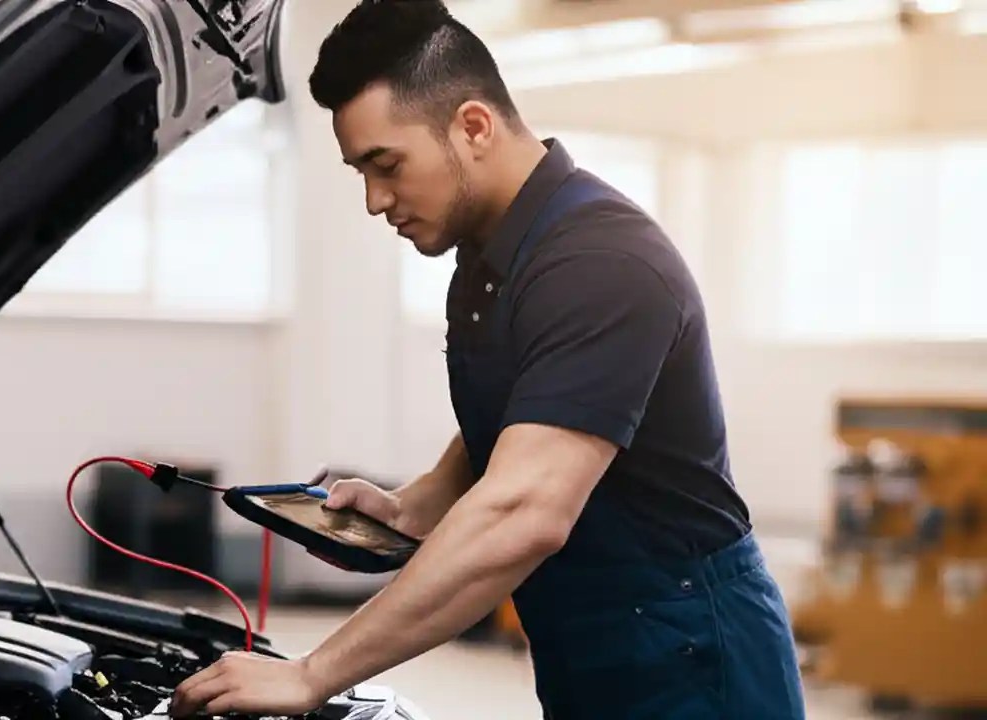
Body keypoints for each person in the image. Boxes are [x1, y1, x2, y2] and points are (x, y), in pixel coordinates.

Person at [170, 1, 806, 717]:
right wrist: (411, 508)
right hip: (595, 641)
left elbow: (525, 510)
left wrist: (314, 672)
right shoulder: (488, 259)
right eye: (361, 174)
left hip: (692, 653)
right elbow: (520, 420)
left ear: (473, 126)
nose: (377, 201)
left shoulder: (600, 264)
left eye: (387, 165)